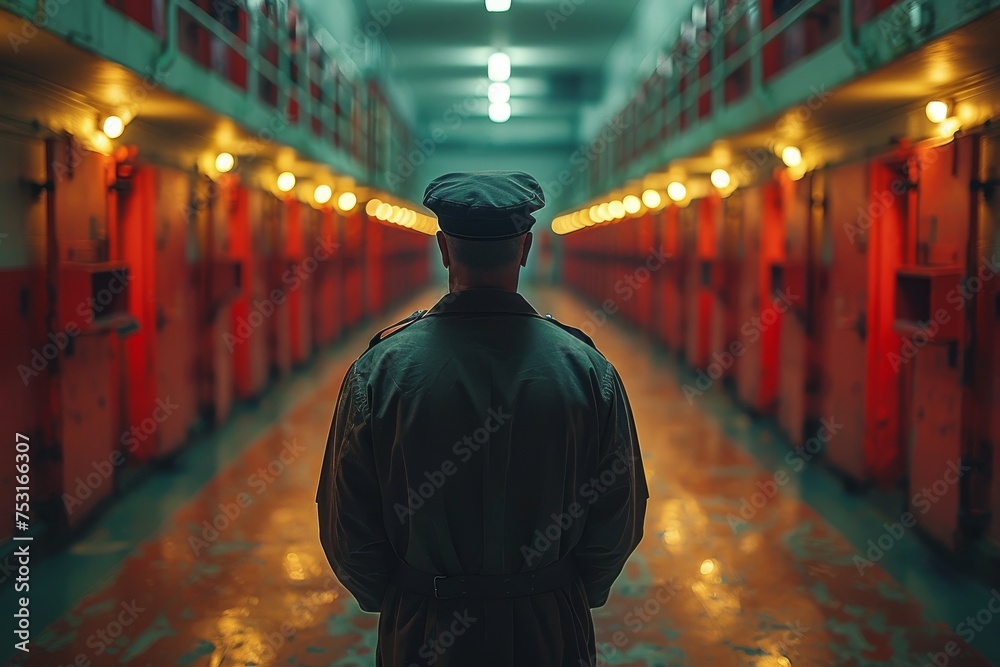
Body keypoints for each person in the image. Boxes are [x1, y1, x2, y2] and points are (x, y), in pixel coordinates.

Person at [316, 171, 648, 666]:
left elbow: (348, 524)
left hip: (423, 631)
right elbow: (619, 516)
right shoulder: (586, 370)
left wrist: (406, 596)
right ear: (526, 248)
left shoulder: (380, 371)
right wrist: (563, 590)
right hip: (550, 629)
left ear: (443, 248)